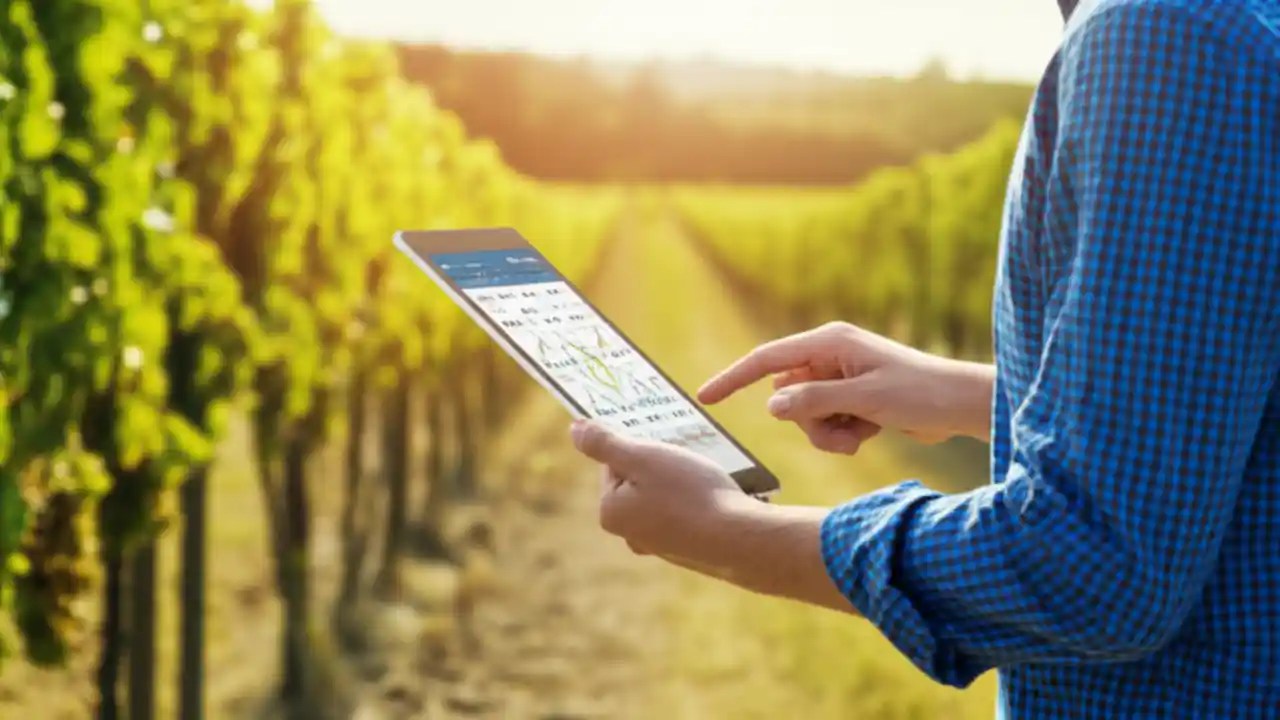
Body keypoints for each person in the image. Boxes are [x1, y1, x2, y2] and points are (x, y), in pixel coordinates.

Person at [568, 0, 1280, 716]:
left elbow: (1094, 566)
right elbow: (1226, 415)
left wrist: (730, 531)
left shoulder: (1167, 34)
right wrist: (972, 394)